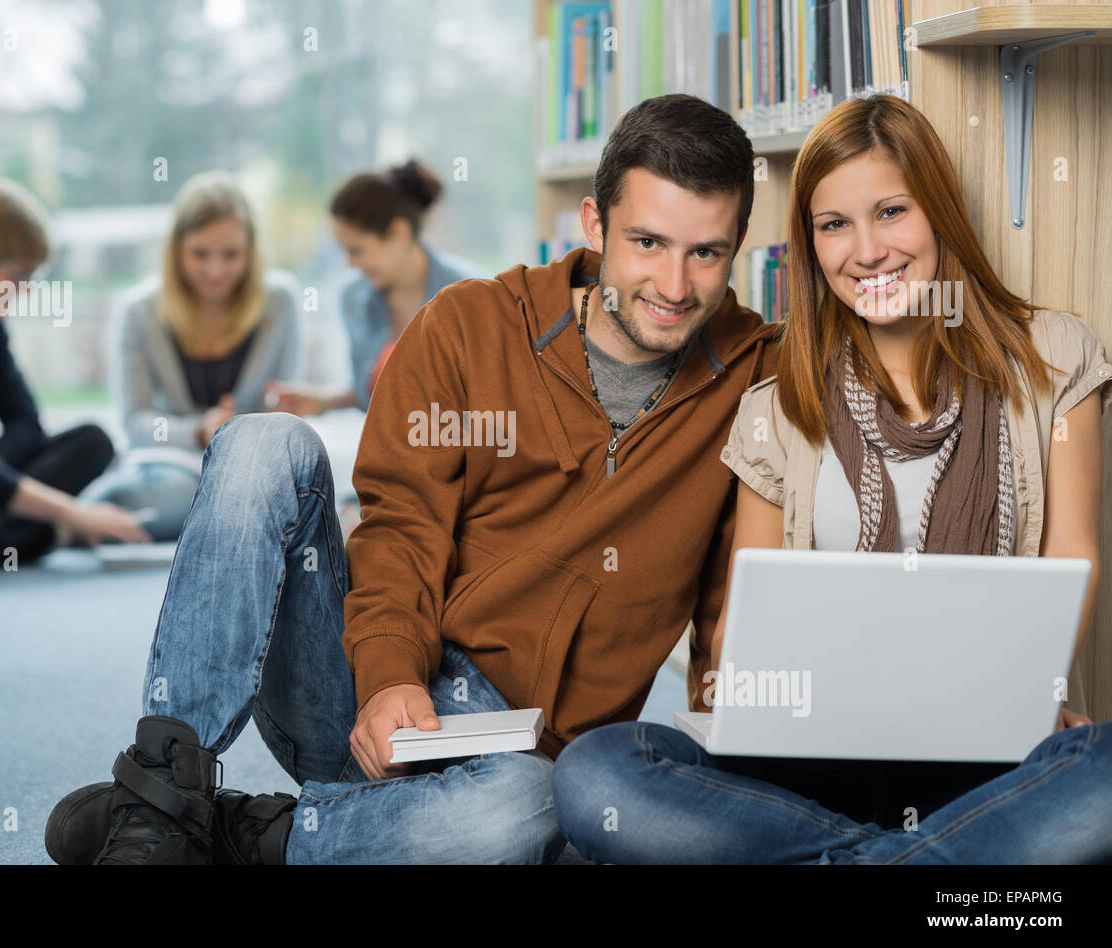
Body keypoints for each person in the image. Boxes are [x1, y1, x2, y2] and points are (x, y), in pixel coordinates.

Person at [44, 93, 781, 865]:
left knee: (526, 811)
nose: (673, 283)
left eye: (706, 253)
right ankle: (166, 783)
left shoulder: (755, 381)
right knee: (263, 443)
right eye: (647, 242)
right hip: (364, 695)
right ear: (594, 226)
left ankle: (234, 831)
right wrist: (391, 672)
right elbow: (399, 522)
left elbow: (735, 600)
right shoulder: (468, 324)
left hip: (513, 765)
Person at [552, 94, 1112, 865]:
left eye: (891, 211)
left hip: (994, 759)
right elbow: (754, 620)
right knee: (599, 772)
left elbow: (1073, 553)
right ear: (810, 244)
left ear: (939, 211)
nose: (868, 250)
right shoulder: (776, 404)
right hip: (808, 772)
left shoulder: (1052, 357)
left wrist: (1030, 694)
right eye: (834, 225)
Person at [0, 175, 149, 578]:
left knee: (92, 441)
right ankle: (35, 534)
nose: (25, 291)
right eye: (19, 275)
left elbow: (25, 422)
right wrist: (72, 512)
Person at [83, 172, 302, 541]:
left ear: (250, 251)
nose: (215, 271)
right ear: (176, 250)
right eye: (200, 254)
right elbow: (136, 423)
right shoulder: (139, 312)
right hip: (173, 467)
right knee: (159, 497)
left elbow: (284, 412)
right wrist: (198, 432)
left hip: (256, 467)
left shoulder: (280, 302)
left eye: (231, 255)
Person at [264, 159, 479, 416]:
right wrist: (321, 401)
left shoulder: (471, 294)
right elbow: (369, 395)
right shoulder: (353, 296)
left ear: (399, 232)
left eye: (357, 250)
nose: (350, 264)